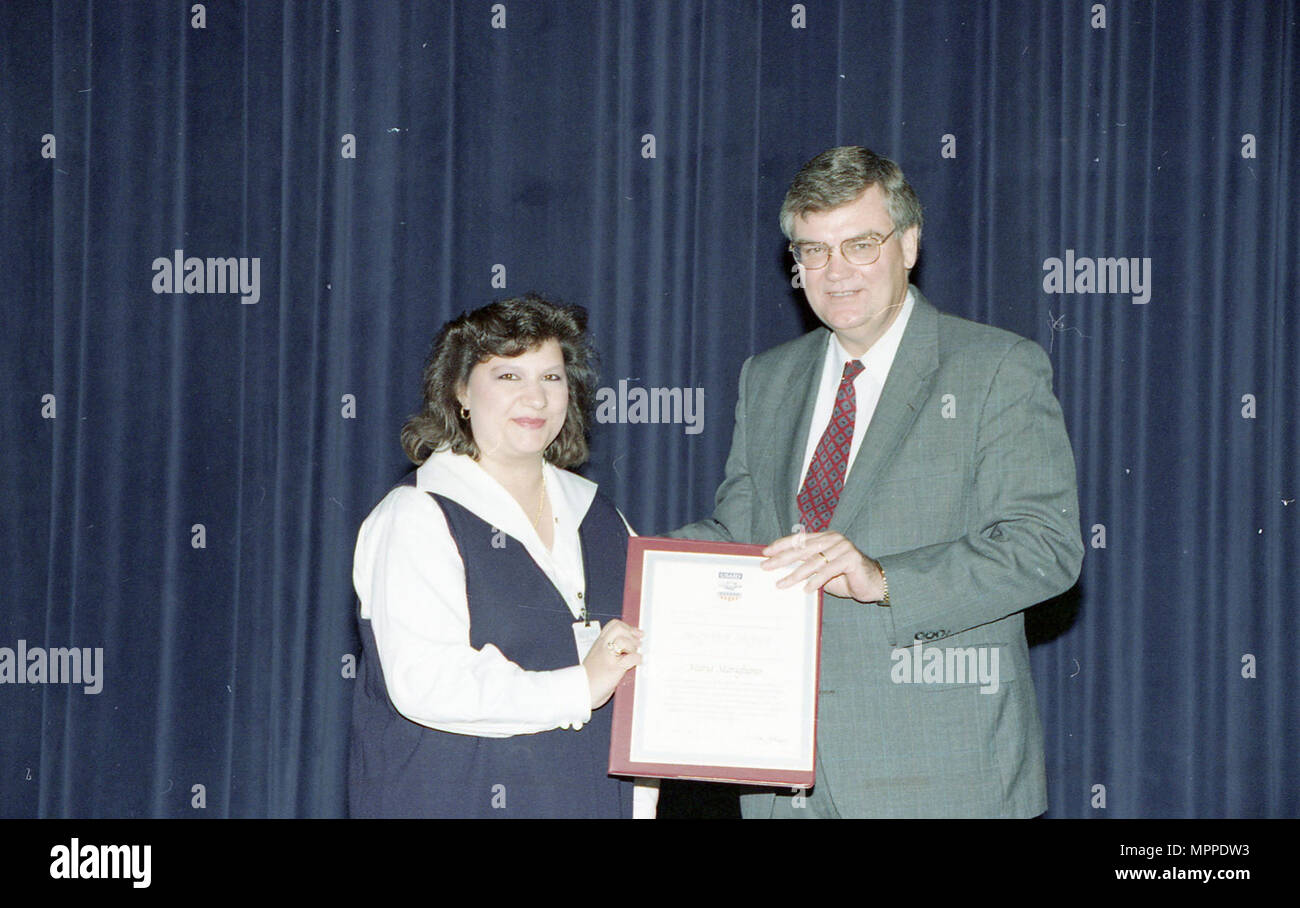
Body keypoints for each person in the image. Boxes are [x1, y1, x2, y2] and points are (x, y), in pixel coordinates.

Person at [675, 146, 1084, 818]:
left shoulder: (995, 367)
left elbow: (1044, 549)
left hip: (941, 776)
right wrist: (625, 556)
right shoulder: (768, 376)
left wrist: (883, 579)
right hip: (782, 777)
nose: (835, 272)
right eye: (812, 251)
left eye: (860, 244)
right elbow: (742, 534)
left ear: (910, 244)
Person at [348, 293, 652, 818]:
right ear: (461, 390)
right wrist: (581, 685)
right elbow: (427, 683)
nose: (535, 399)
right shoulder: (417, 516)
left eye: (551, 378)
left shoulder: (602, 516)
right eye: (509, 377)